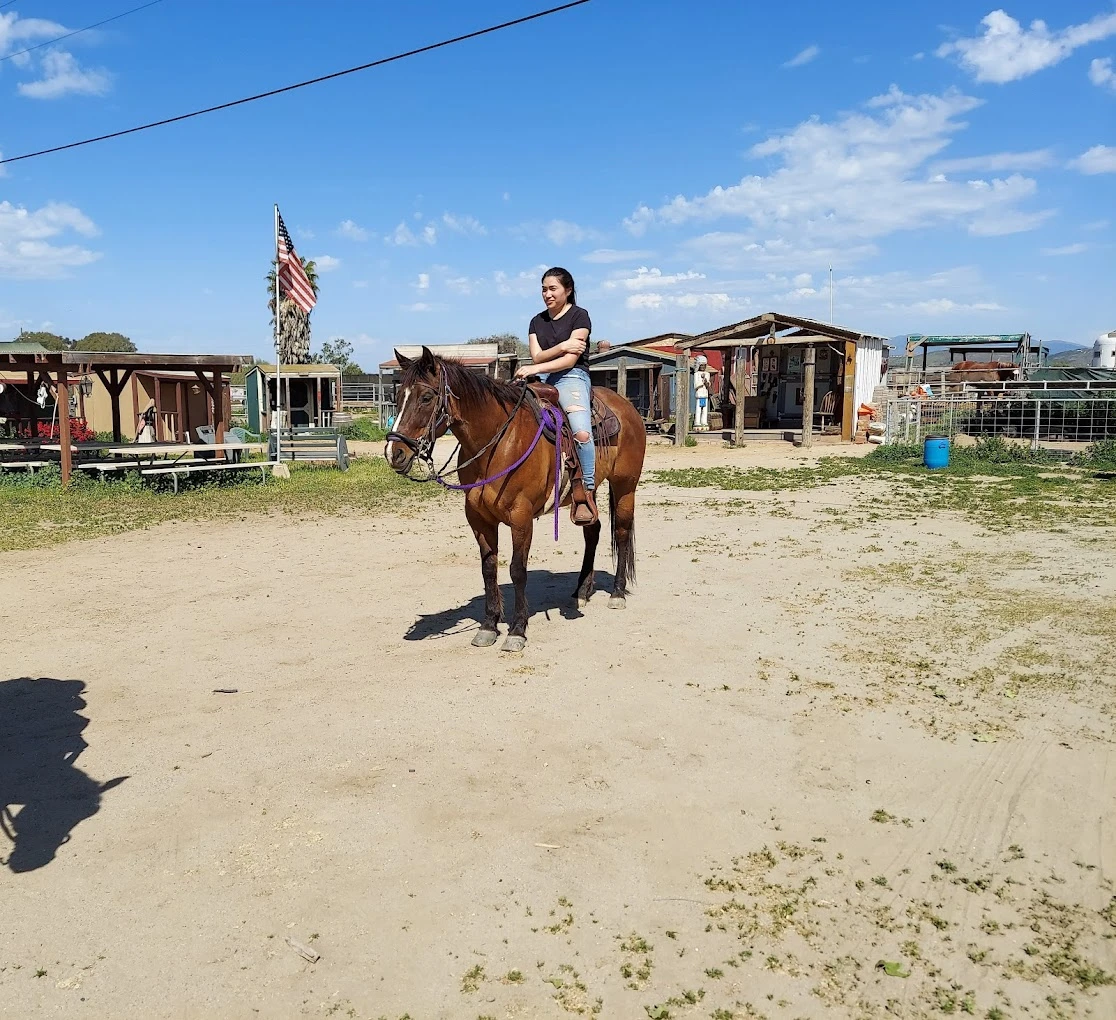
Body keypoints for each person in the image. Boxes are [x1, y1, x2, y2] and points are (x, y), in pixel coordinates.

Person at [515, 267, 597, 526]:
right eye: (543, 289)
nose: (547, 294)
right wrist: (562, 346)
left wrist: (537, 365)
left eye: (553, 289)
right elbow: (538, 354)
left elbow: (570, 360)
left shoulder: (579, 316)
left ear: (568, 290)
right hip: (544, 378)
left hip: (573, 376)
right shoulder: (536, 321)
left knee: (582, 433)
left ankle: (585, 492)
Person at [693, 357, 711, 431]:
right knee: (699, 409)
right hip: (699, 394)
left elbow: (708, 385)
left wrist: (706, 382)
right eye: (701, 365)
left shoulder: (707, 374)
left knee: (704, 409)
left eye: (704, 365)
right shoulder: (696, 374)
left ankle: (704, 421)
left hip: (705, 394)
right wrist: (702, 382)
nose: (703, 367)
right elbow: (695, 385)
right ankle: (697, 422)